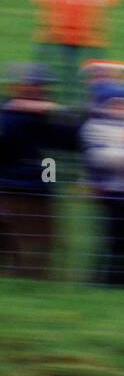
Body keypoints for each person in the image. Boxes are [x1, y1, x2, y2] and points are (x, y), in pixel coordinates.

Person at [0, 64, 80, 279]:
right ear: (16, 87)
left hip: (39, 192)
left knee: (37, 249)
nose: (38, 90)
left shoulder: (50, 117)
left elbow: (73, 140)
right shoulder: (8, 114)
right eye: (31, 86)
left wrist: (54, 111)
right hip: (8, 190)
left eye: (41, 86)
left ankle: (29, 284)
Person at [82, 81, 124, 288]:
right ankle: (105, 280)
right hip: (108, 193)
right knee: (113, 240)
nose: (122, 108)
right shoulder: (94, 127)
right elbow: (99, 157)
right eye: (116, 103)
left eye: (123, 103)